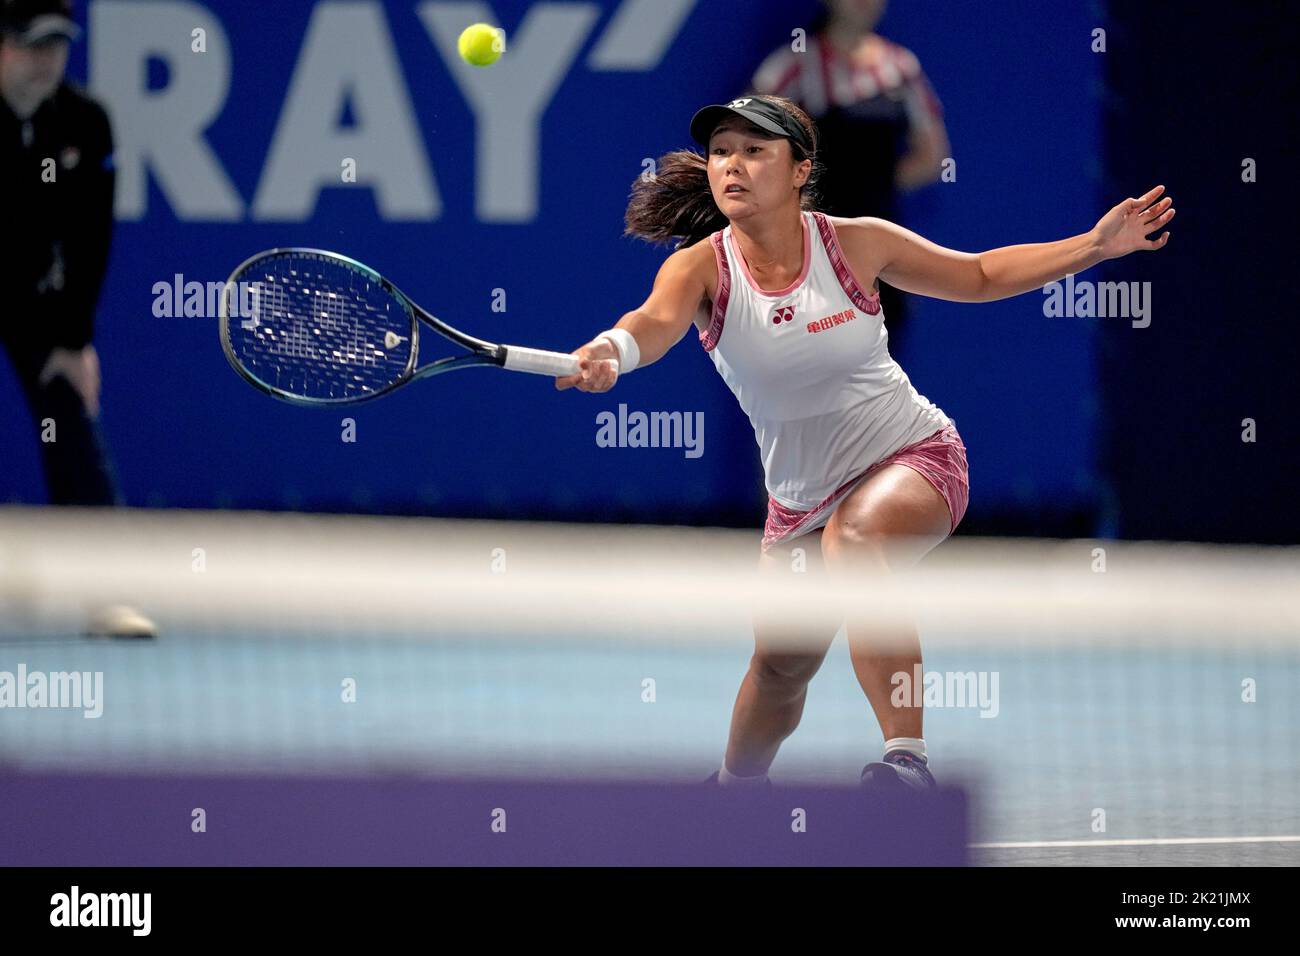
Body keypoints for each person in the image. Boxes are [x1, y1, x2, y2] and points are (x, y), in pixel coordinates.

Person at [556, 94, 1172, 789]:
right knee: (781, 664)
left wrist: (1096, 245)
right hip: (798, 504)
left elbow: (978, 274)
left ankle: (907, 760)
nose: (732, 166)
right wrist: (613, 349)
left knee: (855, 542)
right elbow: (652, 322)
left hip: (915, 457)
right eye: (722, 152)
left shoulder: (855, 243)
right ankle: (730, 797)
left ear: (799, 171)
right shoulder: (700, 269)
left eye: (755, 151)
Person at [1, 0, 154, 638]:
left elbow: (91, 239)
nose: (46, 61)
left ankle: (107, 591)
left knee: (68, 404)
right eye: (31, 44)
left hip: (35, 294)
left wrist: (74, 340)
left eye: (56, 45)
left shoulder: (85, 121)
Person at [750, 0, 950, 357]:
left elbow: (932, 156)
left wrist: (871, 188)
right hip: (811, 251)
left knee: (880, 375)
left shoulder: (901, 67)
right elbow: (747, 145)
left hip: (881, 251)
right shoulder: (794, 66)